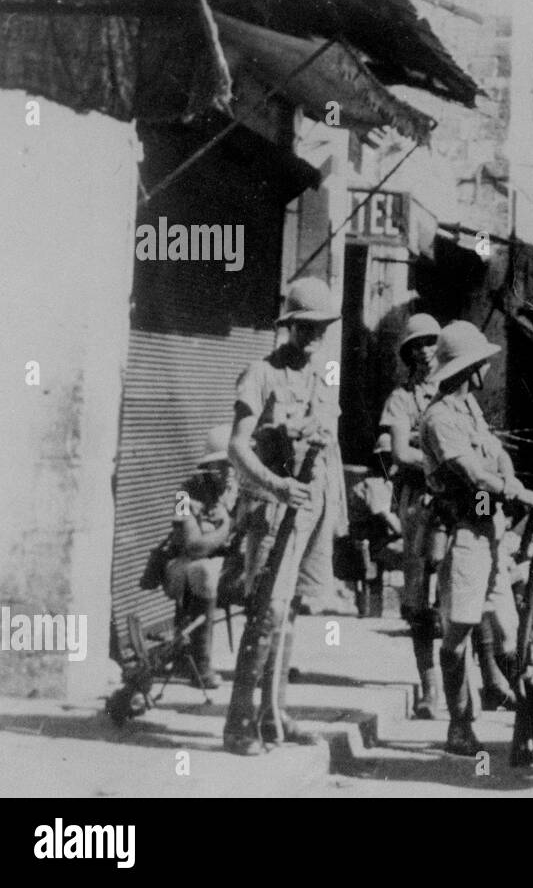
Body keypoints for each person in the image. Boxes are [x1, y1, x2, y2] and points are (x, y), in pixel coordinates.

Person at [418, 321, 533, 755]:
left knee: (508, 633)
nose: (487, 368)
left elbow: (497, 457)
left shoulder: (470, 411)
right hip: (462, 531)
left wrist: (510, 480)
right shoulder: (440, 417)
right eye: (482, 362)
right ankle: (460, 724)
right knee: (459, 632)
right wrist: (527, 495)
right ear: (468, 367)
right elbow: (474, 475)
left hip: (489, 531)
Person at [223, 277, 348, 755]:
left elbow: (328, 443)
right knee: (266, 610)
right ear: (290, 326)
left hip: (312, 503)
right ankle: (238, 722)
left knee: (291, 609)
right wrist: (276, 485)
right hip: (274, 505)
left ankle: (274, 713)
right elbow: (237, 447)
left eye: (323, 327)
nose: (315, 336)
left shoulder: (322, 375)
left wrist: (333, 513)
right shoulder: (260, 373)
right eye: (307, 327)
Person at [381, 312, 444, 718]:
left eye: (430, 342)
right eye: (415, 345)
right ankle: (431, 688)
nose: (424, 351)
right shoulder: (401, 398)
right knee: (420, 597)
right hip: (419, 500)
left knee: (464, 589)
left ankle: (486, 681)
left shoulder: (457, 389)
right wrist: (443, 458)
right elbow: (400, 453)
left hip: (457, 498)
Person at [164, 424, 247, 689]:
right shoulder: (184, 493)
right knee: (203, 571)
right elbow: (194, 546)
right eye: (221, 466)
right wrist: (228, 526)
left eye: (233, 465)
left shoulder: (240, 491)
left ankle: (264, 665)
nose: (228, 473)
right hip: (184, 565)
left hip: (228, 563)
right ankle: (199, 664)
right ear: (207, 468)